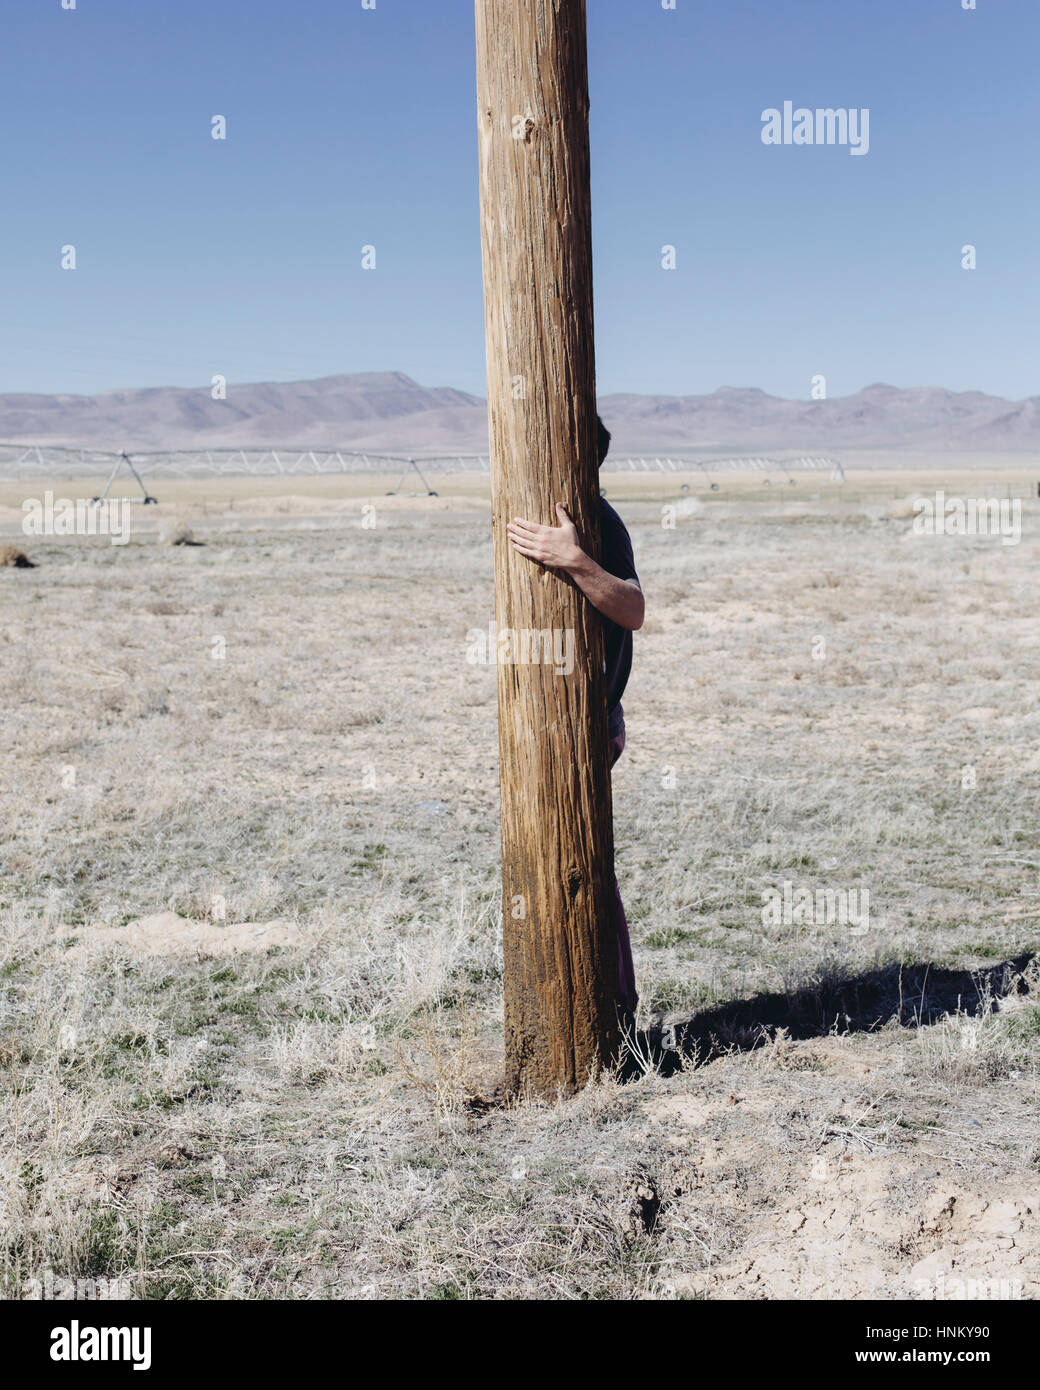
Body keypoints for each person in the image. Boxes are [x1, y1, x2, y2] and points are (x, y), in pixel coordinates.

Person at [505, 416, 643, 1026]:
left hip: (590, 723)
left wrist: (576, 561)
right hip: (548, 722)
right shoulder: (561, 513)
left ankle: (614, 1016)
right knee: (563, 859)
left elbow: (634, 609)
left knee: (588, 864)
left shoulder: (600, 523)